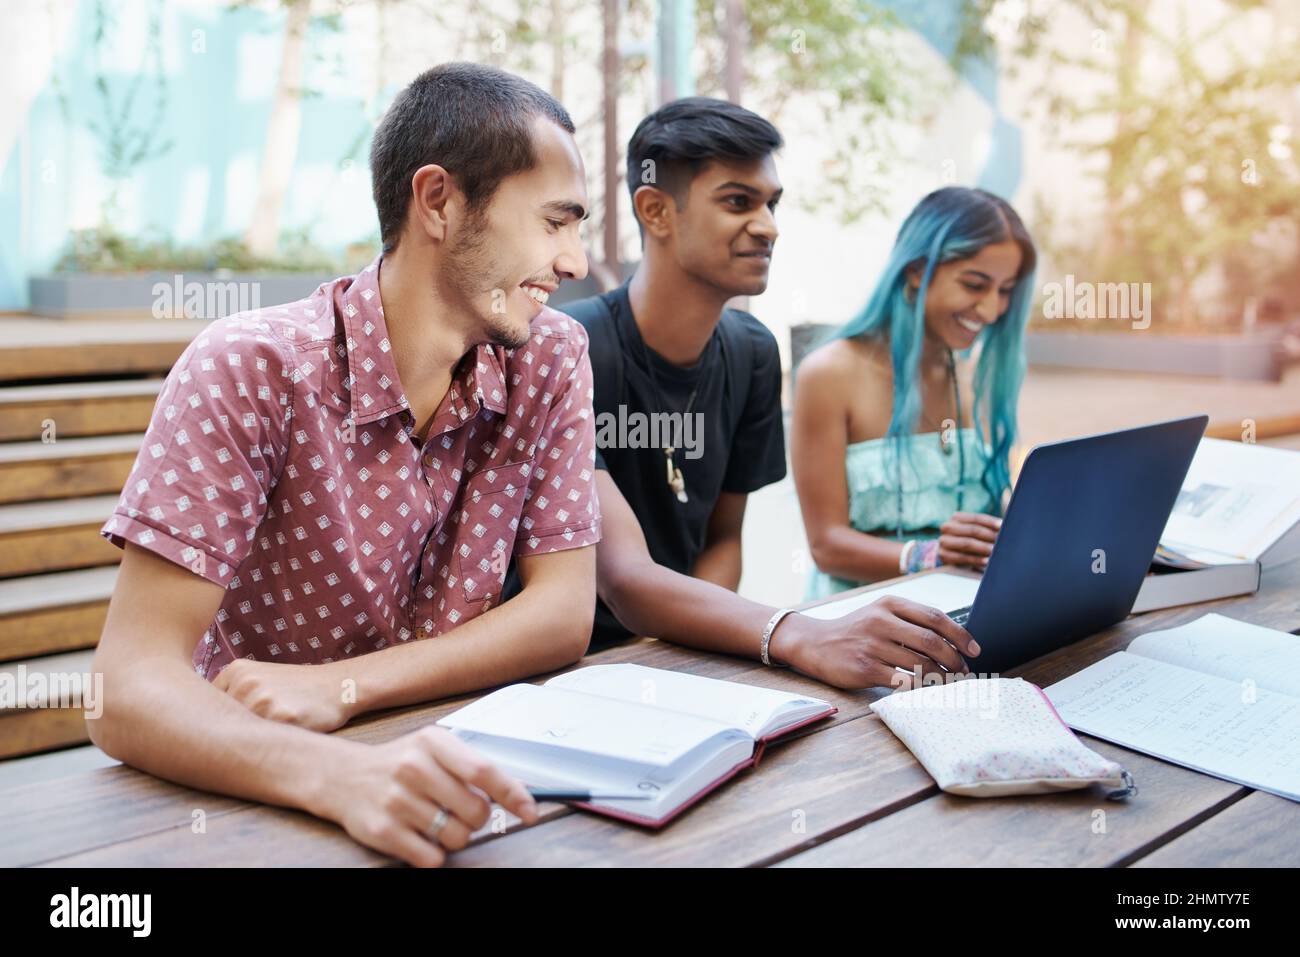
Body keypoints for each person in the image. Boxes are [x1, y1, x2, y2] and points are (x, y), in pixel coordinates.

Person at [89, 62, 605, 867]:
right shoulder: (252, 367)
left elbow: (564, 612)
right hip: (247, 790)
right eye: (554, 222)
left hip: (456, 777)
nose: (574, 261)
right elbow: (123, 687)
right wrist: (344, 775)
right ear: (437, 200)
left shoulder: (552, 356)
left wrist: (347, 685)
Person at [530, 98, 978, 689]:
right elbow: (625, 579)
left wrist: (691, 656)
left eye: (772, 204)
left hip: (688, 646)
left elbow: (722, 538)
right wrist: (792, 635)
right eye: (738, 202)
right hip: (569, 671)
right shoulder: (573, 347)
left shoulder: (753, 352)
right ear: (656, 211)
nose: (767, 225)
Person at [792, 186, 1037, 600]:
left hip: (965, 608)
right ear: (917, 270)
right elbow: (826, 546)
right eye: (976, 284)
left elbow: (990, 515)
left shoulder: (972, 373)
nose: (993, 309)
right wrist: (929, 555)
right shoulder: (829, 375)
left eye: (1005, 290)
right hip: (858, 617)